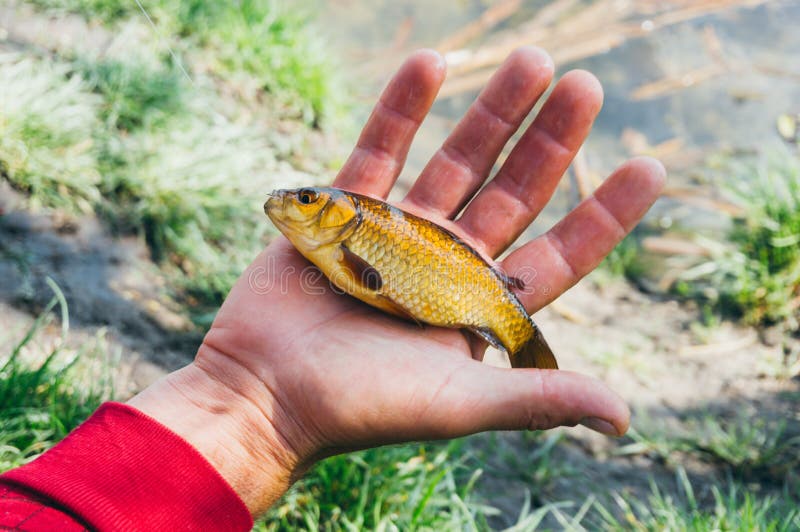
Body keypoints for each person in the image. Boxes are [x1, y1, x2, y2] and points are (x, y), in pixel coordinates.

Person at [0, 47, 665, 530]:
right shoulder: (324, 244)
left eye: (309, 199)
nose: (290, 203)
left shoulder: (349, 233)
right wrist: (255, 403)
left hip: (466, 294)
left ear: (336, 213)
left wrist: (250, 408)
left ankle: (514, 329)